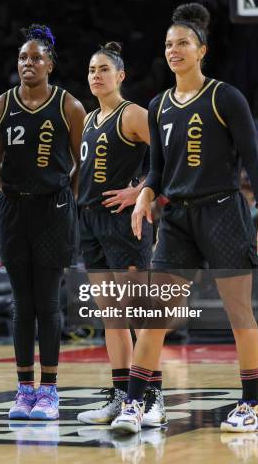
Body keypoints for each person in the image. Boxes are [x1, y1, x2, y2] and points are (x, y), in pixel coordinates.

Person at [115, 3, 258, 434]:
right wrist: (144, 196)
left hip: (223, 212)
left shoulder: (226, 97)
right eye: (168, 44)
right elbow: (156, 169)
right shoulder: (157, 105)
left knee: (238, 312)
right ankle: (134, 404)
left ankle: (251, 405)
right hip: (178, 221)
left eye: (183, 43)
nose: (174, 50)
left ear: (201, 49)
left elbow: (253, 163)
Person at [0, 24, 86, 420]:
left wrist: (67, 196)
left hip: (54, 208)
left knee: (47, 301)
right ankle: (24, 388)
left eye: (36, 58)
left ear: (50, 65)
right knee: (20, 303)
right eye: (23, 58)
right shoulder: (0, 105)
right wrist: (3, 188)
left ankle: (50, 390)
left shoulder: (69, 106)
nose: (29, 63)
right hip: (14, 209)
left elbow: (82, 160)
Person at [74, 42, 165, 427]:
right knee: (112, 317)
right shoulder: (90, 118)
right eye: (92, 69)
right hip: (90, 221)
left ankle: (153, 398)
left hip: (125, 222)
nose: (97, 75)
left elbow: (169, 153)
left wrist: (140, 190)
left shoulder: (132, 114)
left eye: (104, 69)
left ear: (121, 76)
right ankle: (121, 396)